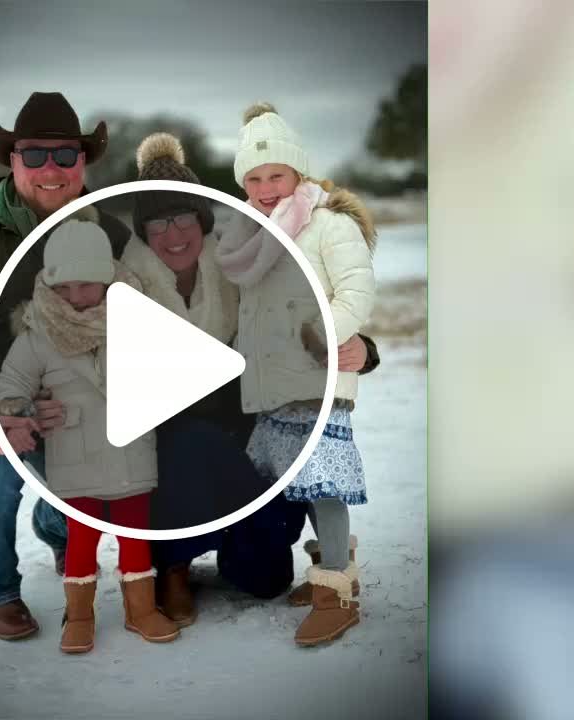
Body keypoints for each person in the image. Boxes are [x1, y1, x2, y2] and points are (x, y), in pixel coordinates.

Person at [118, 131, 379, 628]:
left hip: (244, 427)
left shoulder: (238, 258)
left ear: (203, 219)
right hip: (169, 442)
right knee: (188, 442)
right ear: (142, 233)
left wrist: (363, 350)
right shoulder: (126, 279)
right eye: (157, 224)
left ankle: (312, 562)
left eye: (183, 218)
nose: (173, 234)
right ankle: (171, 565)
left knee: (264, 579)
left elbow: (302, 307)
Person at [0, 92, 132, 640]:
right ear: (11, 162)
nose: (51, 169)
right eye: (33, 155)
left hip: (76, 391)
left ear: (84, 161)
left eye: (65, 155)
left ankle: (55, 525)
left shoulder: (113, 235)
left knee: (115, 467)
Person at [217, 102, 376, 646]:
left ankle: (339, 594)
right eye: (254, 178)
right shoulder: (248, 234)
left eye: (276, 175)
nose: (265, 187)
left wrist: (323, 335)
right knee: (300, 484)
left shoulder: (328, 224)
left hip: (319, 380)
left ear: (298, 172)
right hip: (273, 387)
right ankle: (329, 567)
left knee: (325, 485)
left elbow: (356, 290)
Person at [0, 218, 180, 653]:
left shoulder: (140, 320)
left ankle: (141, 609)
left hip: (133, 455)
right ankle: (79, 615)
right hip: (74, 461)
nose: (75, 298)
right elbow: (11, 389)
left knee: (137, 539)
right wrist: (26, 412)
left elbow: (170, 369)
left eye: (86, 286)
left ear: (108, 279)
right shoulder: (37, 334)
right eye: (64, 288)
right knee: (81, 541)